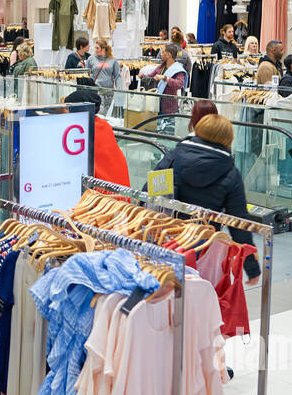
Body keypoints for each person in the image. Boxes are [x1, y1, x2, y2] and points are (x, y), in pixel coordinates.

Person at [149, 114, 262, 286]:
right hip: (205, 246)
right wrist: (251, 266)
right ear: (228, 139)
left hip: (166, 237)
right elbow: (238, 222)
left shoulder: (172, 157)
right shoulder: (230, 173)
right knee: (200, 294)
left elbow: (151, 195)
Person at [64, 81, 130, 186]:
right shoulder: (103, 125)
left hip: (102, 194)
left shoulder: (81, 130)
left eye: (68, 108)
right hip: (121, 189)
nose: (66, 113)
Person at [151, 45, 187, 135]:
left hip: (169, 108)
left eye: (163, 52)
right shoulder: (160, 67)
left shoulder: (178, 70)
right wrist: (142, 75)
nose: (160, 54)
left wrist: (165, 78)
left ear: (169, 55)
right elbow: (151, 76)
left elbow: (179, 84)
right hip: (156, 106)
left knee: (167, 134)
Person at [86, 36, 120, 114]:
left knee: (108, 113)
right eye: (95, 48)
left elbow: (117, 76)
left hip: (109, 91)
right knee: (100, 112)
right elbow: (86, 75)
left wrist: (119, 90)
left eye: (97, 48)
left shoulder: (113, 60)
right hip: (96, 91)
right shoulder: (91, 59)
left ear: (103, 49)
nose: (96, 50)